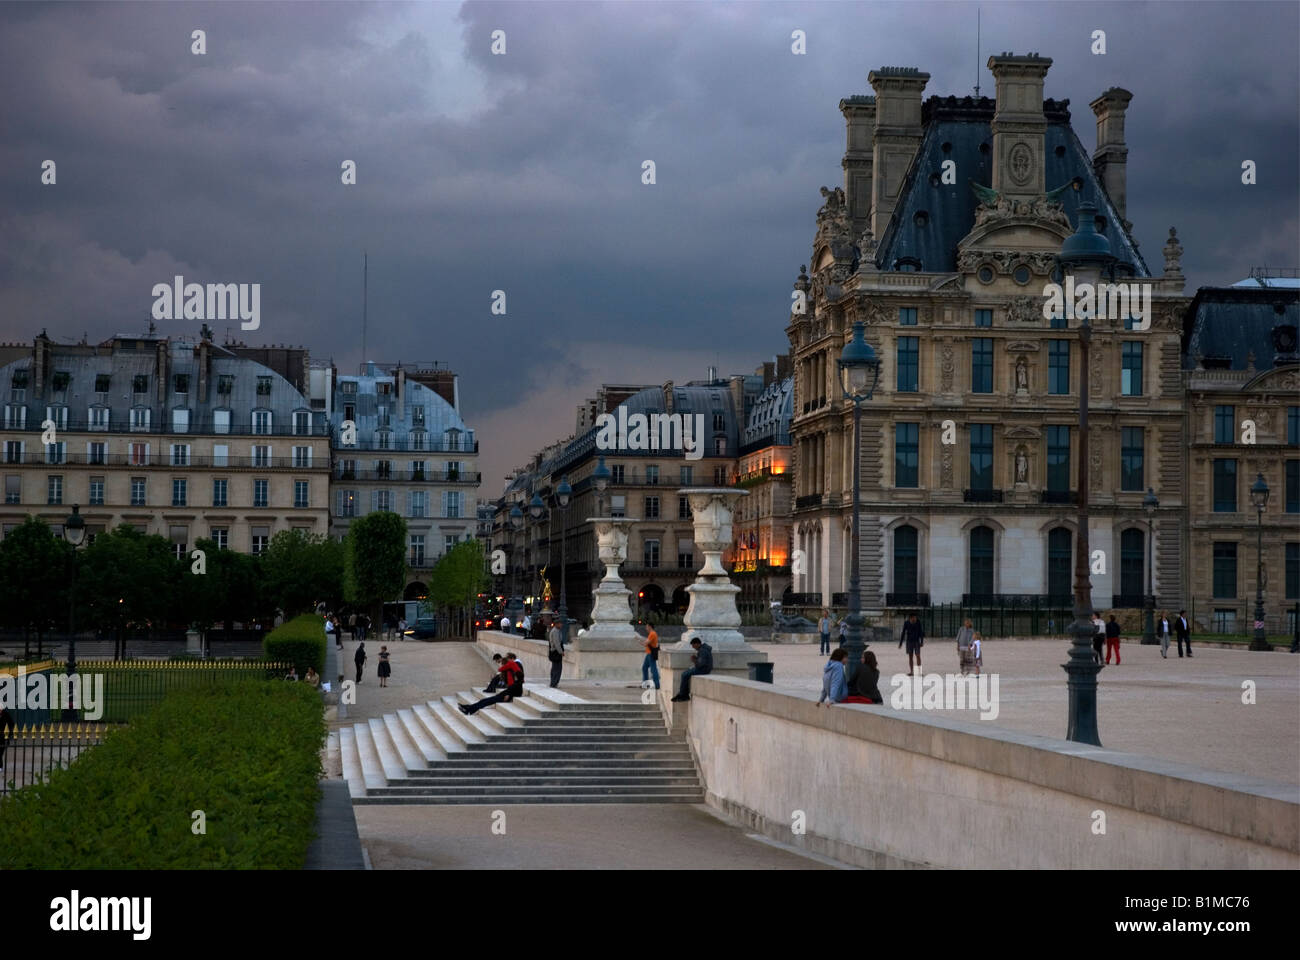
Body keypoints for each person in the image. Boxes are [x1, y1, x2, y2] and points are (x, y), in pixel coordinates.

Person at [670, 637, 713, 701]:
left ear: (697, 644)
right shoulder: (703, 649)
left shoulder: (702, 651)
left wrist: (694, 660)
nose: (693, 647)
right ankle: (684, 694)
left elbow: (701, 665)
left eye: (693, 645)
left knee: (684, 675)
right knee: (686, 673)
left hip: (703, 670)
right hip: (704, 669)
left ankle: (683, 694)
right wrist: (696, 659)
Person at [641, 624, 660, 690]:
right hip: (649, 653)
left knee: (653, 669)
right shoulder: (652, 634)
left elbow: (645, 643)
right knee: (644, 668)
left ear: (650, 627)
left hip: (651, 654)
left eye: (646, 627)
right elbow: (646, 643)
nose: (646, 628)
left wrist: (639, 641)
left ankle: (656, 684)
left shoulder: (652, 634)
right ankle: (646, 684)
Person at [547, 621, 564, 687]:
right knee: (557, 668)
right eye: (560, 623)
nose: (561, 624)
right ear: (557, 624)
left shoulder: (557, 631)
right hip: (555, 652)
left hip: (555, 652)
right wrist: (561, 652)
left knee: (555, 668)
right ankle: (554, 683)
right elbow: (557, 643)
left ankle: (554, 683)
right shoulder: (555, 632)